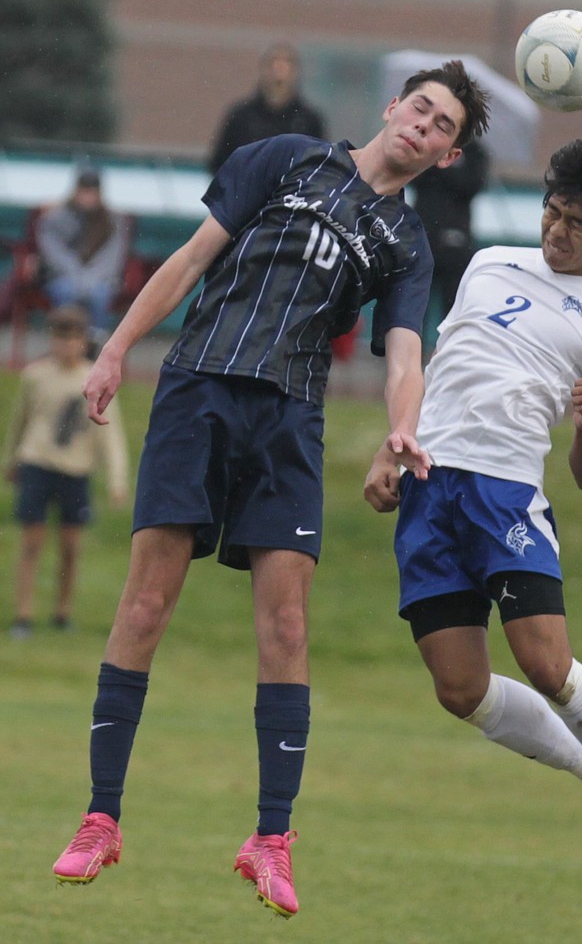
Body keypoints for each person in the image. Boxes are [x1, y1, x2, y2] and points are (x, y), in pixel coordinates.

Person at [51, 61, 491, 919]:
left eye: (445, 128)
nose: (427, 127)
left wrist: (405, 428)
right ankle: (101, 816)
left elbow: (407, 354)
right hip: (197, 388)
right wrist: (114, 350)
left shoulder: (405, 246)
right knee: (145, 606)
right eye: (423, 108)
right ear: (393, 104)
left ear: (447, 156)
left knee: (287, 623)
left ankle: (271, 838)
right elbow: (190, 259)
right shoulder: (285, 157)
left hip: (290, 417)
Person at [365, 131, 582, 903]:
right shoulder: (487, 262)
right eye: (553, 209)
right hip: (430, 482)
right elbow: (439, 371)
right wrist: (391, 446)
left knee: (547, 663)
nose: (556, 228)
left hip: (505, 491)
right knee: (459, 689)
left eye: (577, 222)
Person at [3, 304, 128, 638]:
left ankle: (62, 613)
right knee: (31, 543)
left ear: (83, 341)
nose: (65, 346)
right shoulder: (35, 375)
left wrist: (117, 478)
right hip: (38, 463)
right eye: (59, 338)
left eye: (72, 339)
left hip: (76, 470)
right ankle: (24, 615)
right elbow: (21, 420)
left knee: (71, 548)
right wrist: (11, 460)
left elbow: (110, 434)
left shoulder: (95, 377)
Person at [35, 167, 134, 332]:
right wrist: (77, 276)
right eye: (84, 191)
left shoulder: (113, 221)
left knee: (99, 295)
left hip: (100, 281)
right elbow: (53, 253)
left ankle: (94, 347)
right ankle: (65, 343)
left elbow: (112, 256)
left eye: (92, 192)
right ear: (75, 191)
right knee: (66, 292)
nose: (88, 197)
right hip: (62, 277)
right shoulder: (54, 218)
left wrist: (90, 278)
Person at [207, 42, 327, 175]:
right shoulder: (240, 117)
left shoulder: (309, 121)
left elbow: (320, 168)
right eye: (273, 62)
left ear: (296, 72)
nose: (280, 69)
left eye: (287, 63)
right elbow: (219, 164)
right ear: (263, 68)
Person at [410, 135, 490, 320]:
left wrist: (441, 168)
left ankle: (448, 348)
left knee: (454, 308)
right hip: (422, 235)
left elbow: (472, 184)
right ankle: (413, 349)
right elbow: (414, 175)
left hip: (456, 239)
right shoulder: (430, 145)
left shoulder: (474, 151)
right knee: (415, 307)